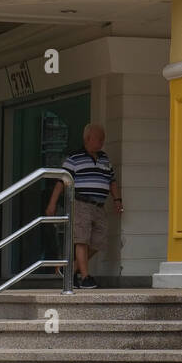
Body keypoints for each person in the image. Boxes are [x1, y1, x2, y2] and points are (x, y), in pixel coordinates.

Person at [45, 123, 121, 289]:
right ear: (88, 139)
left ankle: (72, 268)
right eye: (99, 138)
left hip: (99, 206)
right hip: (81, 203)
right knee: (82, 240)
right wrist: (51, 204)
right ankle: (85, 277)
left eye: (103, 139)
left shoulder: (104, 158)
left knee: (99, 241)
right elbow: (61, 181)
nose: (102, 142)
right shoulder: (74, 158)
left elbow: (112, 181)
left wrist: (117, 200)